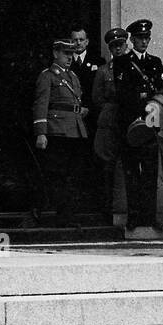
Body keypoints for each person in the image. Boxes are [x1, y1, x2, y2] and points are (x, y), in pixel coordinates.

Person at [113, 18, 163, 234]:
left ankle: (150, 216)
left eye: (147, 38)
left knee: (149, 173)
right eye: (140, 39)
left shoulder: (155, 62)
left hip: (151, 124)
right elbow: (123, 94)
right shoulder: (122, 62)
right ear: (133, 40)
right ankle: (134, 217)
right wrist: (147, 99)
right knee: (131, 174)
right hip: (130, 125)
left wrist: (151, 102)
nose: (144, 42)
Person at [33, 38, 97, 225]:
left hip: (75, 130)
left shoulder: (73, 77)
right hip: (57, 131)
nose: (69, 58)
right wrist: (41, 132)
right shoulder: (48, 76)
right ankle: (56, 212)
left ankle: (67, 214)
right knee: (57, 174)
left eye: (71, 54)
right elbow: (41, 104)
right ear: (55, 54)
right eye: (66, 54)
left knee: (72, 174)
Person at [91, 27, 129, 222]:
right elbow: (97, 99)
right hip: (110, 124)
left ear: (126, 45)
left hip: (130, 124)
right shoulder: (104, 71)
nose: (118, 49)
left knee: (130, 169)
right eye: (114, 46)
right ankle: (106, 212)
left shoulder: (133, 67)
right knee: (107, 168)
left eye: (121, 45)